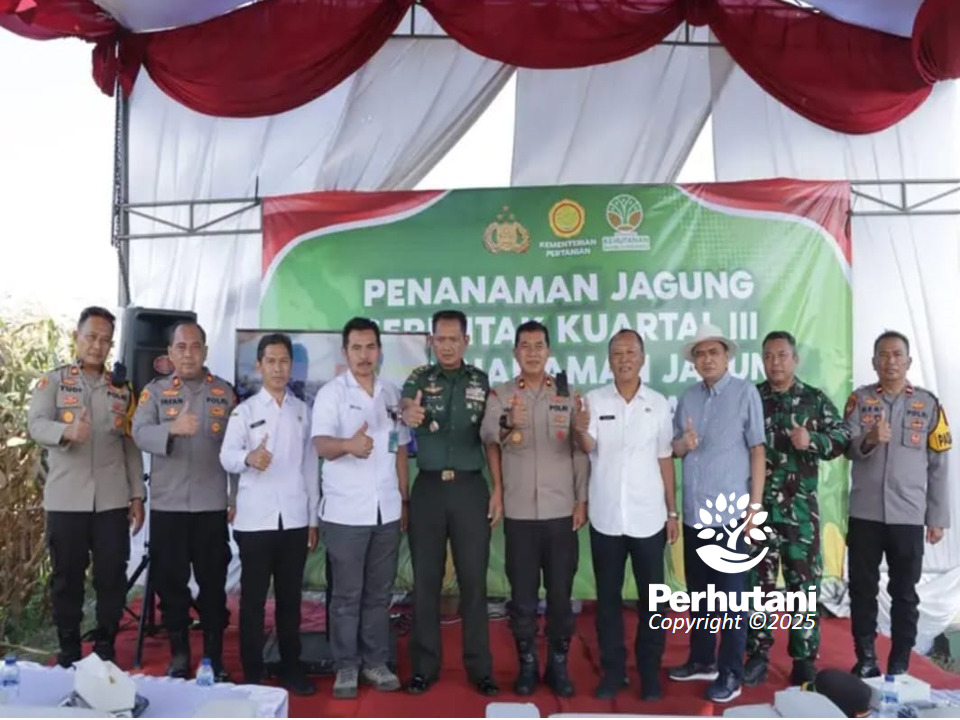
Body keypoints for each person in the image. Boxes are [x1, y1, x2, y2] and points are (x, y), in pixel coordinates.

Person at [27, 306, 145, 667]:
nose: (97, 345)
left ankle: (106, 646)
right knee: (67, 579)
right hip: (67, 500)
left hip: (111, 500)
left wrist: (137, 495)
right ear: (76, 338)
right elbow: (35, 424)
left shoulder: (121, 391)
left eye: (105, 340)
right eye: (91, 337)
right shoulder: (54, 383)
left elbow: (129, 445)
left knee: (111, 577)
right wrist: (66, 431)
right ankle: (68, 649)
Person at [480, 320, 588, 698]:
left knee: (560, 595)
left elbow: (578, 449)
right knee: (523, 596)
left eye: (539, 345)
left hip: (561, 512)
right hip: (521, 513)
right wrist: (511, 421)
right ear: (514, 352)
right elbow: (490, 436)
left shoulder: (568, 395)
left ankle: (557, 664)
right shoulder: (502, 394)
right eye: (525, 346)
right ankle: (527, 664)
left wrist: (581, 499)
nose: (532, 352)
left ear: (549, 351)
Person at [400, 309, 500, 697]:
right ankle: (424, 667)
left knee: (474, 581)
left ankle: (481, 669)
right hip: (428, 489)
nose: (446, 346)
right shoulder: (418, 379)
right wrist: (409, 412)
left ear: (465, 341)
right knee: (426, 582)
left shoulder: (480, 380)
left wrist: (498, 489)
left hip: (470, 489)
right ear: (431, 341)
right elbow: (406, 408)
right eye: (439, 339)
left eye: (453, 339)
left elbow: (490, 436)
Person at [574, 329, 677, 701]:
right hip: (606, 517)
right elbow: (587, 447)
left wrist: (672, 511)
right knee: (608, 601)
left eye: (630, 352)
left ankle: (649, 673)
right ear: (609, 360)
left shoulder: (659, 403)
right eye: (617, 353)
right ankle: (613, 671)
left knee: (653, 601)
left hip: (649, 516)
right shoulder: (594, 400)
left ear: (643, 358)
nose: (624, 359)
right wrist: (579, 429)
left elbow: (665, 458)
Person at [744, 331, 850, 687]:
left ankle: (804, 659)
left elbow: (842, 438)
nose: (775, 363)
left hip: (801, 515)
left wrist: (813, 441)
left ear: (795, 359)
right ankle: (757, 653)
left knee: (803, 587)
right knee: (758, 587)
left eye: (782, 355)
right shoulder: (752, 398)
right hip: (759, 512)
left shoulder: (813, 400)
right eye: (769, 356)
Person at [132, 321, 236, 681]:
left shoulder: (225, 393)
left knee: (213, 584)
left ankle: (213, 657)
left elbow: (236, 450)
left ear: (205, 351)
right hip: (169, 507)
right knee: (171, 584)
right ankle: (179, 654)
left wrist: (234, 497)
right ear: (170, 353)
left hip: (210, 507)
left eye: (195, 346)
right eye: (181, 347)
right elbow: (138, 432)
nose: (188, 353)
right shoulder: (155, 393)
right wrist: (171, 430)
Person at [843, 330, 951, 677]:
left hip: (908, 516)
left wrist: (937, 516)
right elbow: (846, 447)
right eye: (883, 355)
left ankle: (901, 661)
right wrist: (869, 439)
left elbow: (939, 464)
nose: (890, 361)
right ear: (874, 362)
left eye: (896, 355)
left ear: (908, 361)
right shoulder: (859, 401)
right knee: (862, 590)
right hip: (866, 515)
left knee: (905, 593)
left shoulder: (928, 404)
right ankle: (866, 657)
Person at [311, 318, 409, 699]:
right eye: (357, 348)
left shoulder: (391, 393)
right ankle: (346, 667)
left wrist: (404, 497)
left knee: (379, 594)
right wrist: (348, 446)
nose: (364, 355)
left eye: (370, 347)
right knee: (347, 596)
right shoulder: (331, 394)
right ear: (345, 352)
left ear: (379, 350)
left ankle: (376, 662)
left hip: (386, 510)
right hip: (345, 513)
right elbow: (320, 444)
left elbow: (399, 447)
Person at [668, 323, 765, 704]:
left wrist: (755, 509)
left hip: (732, 519)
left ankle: (730, 674)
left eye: (714, 353)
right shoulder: (687, 397)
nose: (706, 359)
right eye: (700, 354)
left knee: (731, 602)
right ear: (693, 362)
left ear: (727, 357)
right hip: (695, 515)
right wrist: (683, 443)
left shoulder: (745, 394)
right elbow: (675, 449)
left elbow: (757, 450)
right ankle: (703, 660)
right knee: (703, 598)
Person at [219, 333, 320, 695]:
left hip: (293, 520)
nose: (278, 368)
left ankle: (291, 669)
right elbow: (226, 456)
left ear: (292, 366)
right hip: (255, 521)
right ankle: (252, 673)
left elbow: (310, 467)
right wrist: (249, 458)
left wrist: (312, 519)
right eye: (271, 361)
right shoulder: (244, 412)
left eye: (284, 361)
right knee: (253, 602)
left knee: (291, 601)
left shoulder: (303, 411)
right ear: (259, 366)